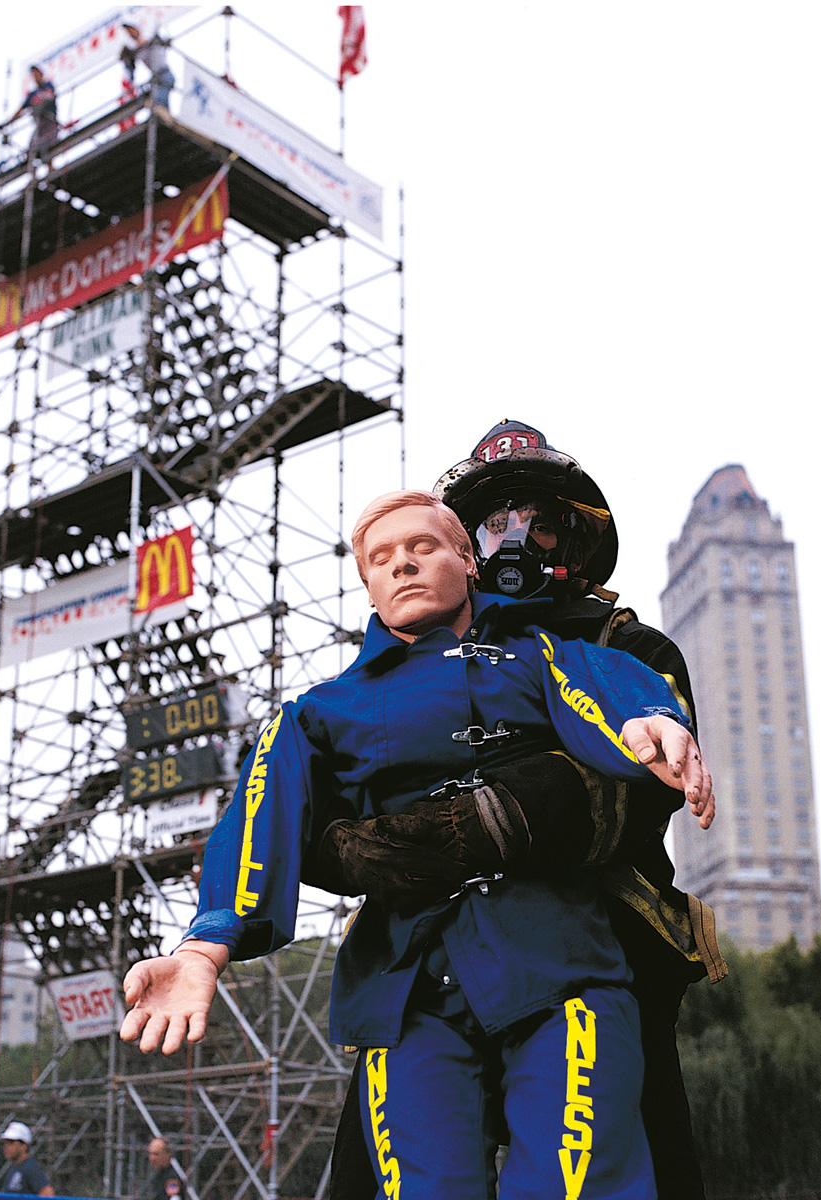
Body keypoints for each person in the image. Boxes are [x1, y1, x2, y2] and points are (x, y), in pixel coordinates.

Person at [122, 488, 712, 1198]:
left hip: (563, 965)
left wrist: (650, 723)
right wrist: (203, 947)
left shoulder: (548, 652)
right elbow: (257, 817)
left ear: (468, 560)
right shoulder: (316, 711)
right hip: (403, 991)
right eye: (381, 557)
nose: (403, 564)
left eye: (424, 546)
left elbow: (608, 692)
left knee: (580, 1181)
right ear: (366, 582)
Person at [314, 420, 725, 1200]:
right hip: (426, 957)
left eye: (536, 519)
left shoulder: (629, 651)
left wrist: (472, 824)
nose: (515, 539)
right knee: (369, 1174)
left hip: (597, 947)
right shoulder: (399, 666)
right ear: (465, 544)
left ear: (570, 533)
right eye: (495, 522)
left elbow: (633, 795)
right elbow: (326, 793)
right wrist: (340, 847)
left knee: (644, 1160)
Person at [0, 66, 58, 161]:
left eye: (36, 74)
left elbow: (50, 94)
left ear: (41, 74)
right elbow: (21, 110)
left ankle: (50, 169)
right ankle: (34, 173)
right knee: (32, 148)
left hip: (49, 121)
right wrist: (7, 123)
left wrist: (42, 99)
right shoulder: (32, 94)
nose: (35, 77)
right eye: (33, 75)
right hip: (39, 124)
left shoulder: (48, 86)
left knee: (47, 146)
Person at [122, 24, 175, 110]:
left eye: (131, 30)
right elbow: (130, 71)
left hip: (165, 74)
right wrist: (128, 60)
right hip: (156, 77)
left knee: (159, 101)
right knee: (156, 101)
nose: (130, 33)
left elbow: (164, 41)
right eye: (128, 32)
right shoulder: (136, 49)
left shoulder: (150, 38)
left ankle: (165, 120)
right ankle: (165, 120)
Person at [0, 1121, 54, 1196]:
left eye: (11, 1142)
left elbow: (47, 1193)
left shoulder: (30, 1168)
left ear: (24, 1145)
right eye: (5, 1143)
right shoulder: (14, 1170)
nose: (6, 1146)